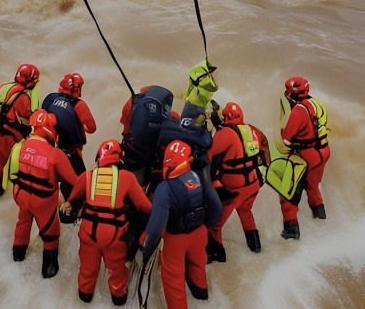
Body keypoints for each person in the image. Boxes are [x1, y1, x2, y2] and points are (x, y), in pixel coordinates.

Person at [62, 140, 152, 306]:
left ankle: (85, 294)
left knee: (88, 267)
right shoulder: (127, 177)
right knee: (116, 269)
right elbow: (144, 206)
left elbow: (72, 198)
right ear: (119, 160)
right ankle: (118, 297)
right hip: (115, 236)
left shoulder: (87, 176)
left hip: (89, 233)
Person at [140, 141, 222, 309]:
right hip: (199, 232)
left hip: (175, 239)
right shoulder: (198, 175)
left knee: (173, 276)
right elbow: (216, 205)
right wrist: (206, 225)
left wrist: (147, 247)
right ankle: (200, 290)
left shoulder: (165, 188)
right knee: (198, 263)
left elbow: (156, 227)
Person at [7, 109, 78, 279]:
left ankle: (18, 255)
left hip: (21, 194)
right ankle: (49, 270)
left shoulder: (22, 145)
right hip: (43, 200)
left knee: (23, 223)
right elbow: (74, 180)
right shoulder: (55, 154)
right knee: (50, 232)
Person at [207, 102, 269, 259]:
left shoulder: (225, 134)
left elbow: (210, 154)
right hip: (253, 183)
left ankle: (217, 256)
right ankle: (256, 247)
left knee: (215, 223)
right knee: (245, 211)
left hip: (235, 187)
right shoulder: (250, 130)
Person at [279, 76, 330, 240]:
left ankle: (291, 232)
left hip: (307, 155)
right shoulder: (317, 104)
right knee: (313, 187)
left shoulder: (299, 110)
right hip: (323, 151)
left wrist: (282, 133)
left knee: (288, 194)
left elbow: (286, 141)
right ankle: (321, 222)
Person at [41, 73, 97, 207]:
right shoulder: (80, 105)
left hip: (50, 148)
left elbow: (41, 115)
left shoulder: (51, 99)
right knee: (77, 182)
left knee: (54, 179)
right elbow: (91, 128)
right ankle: (71, 212)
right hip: (72, 151)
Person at [0, 63, 41, 201]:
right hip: (8, 136)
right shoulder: (24, 98)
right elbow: (27, 118)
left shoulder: (4, 87)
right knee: (14, 167)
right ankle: (5, 197)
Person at [120, 85, 173, 178]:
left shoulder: (132, 105)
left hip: (131, 148)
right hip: (151, 154)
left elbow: (124, 125)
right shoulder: (167, 116)